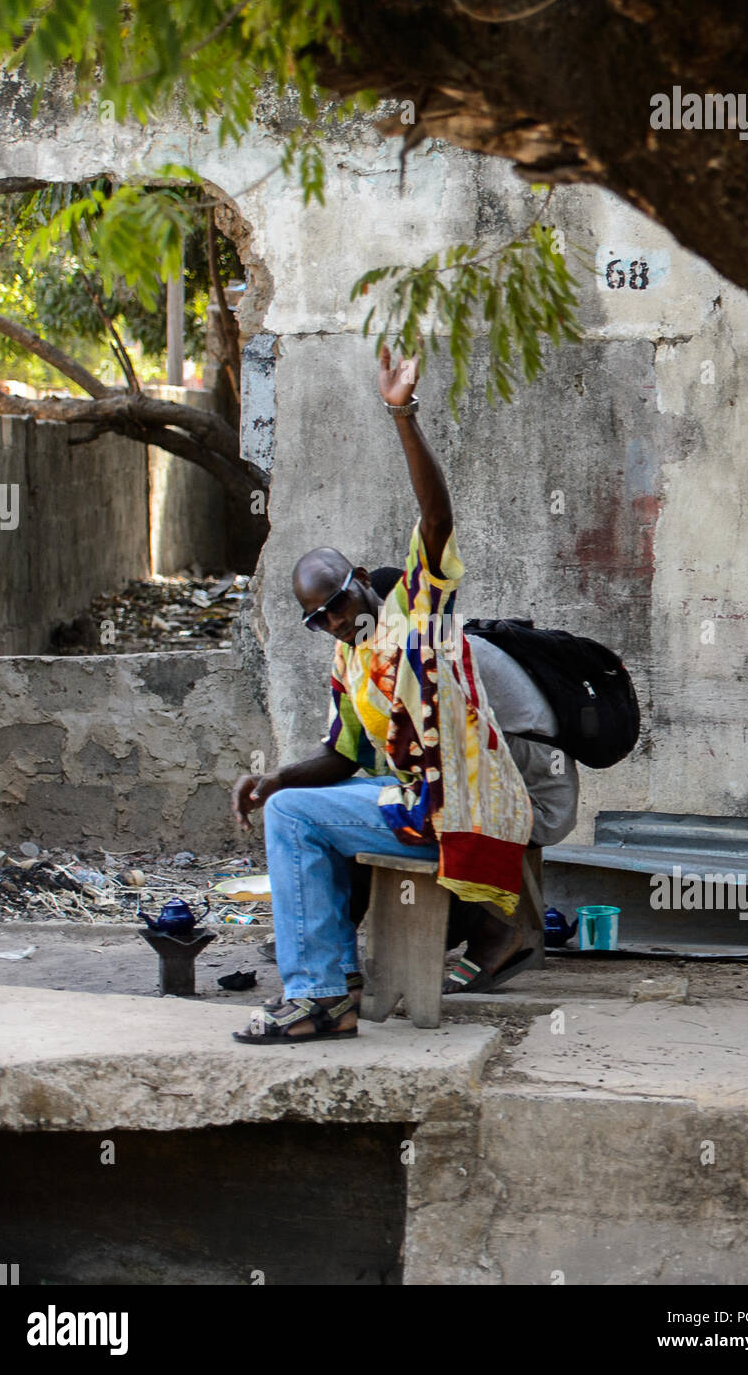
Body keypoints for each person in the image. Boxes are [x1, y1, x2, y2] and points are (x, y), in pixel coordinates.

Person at [230, 347, 578, 1044]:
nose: (332, 619)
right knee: (295, 806)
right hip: (412, 806)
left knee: (296, 821)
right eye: (317, 617)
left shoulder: (414, 611)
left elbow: (437, 516)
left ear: (360, 580)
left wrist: (402, 415)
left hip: (459, 806)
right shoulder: (348, 661)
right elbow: (340, 757)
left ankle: (320, 997)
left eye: (336, 602)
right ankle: (337, 984)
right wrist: (274, 778)